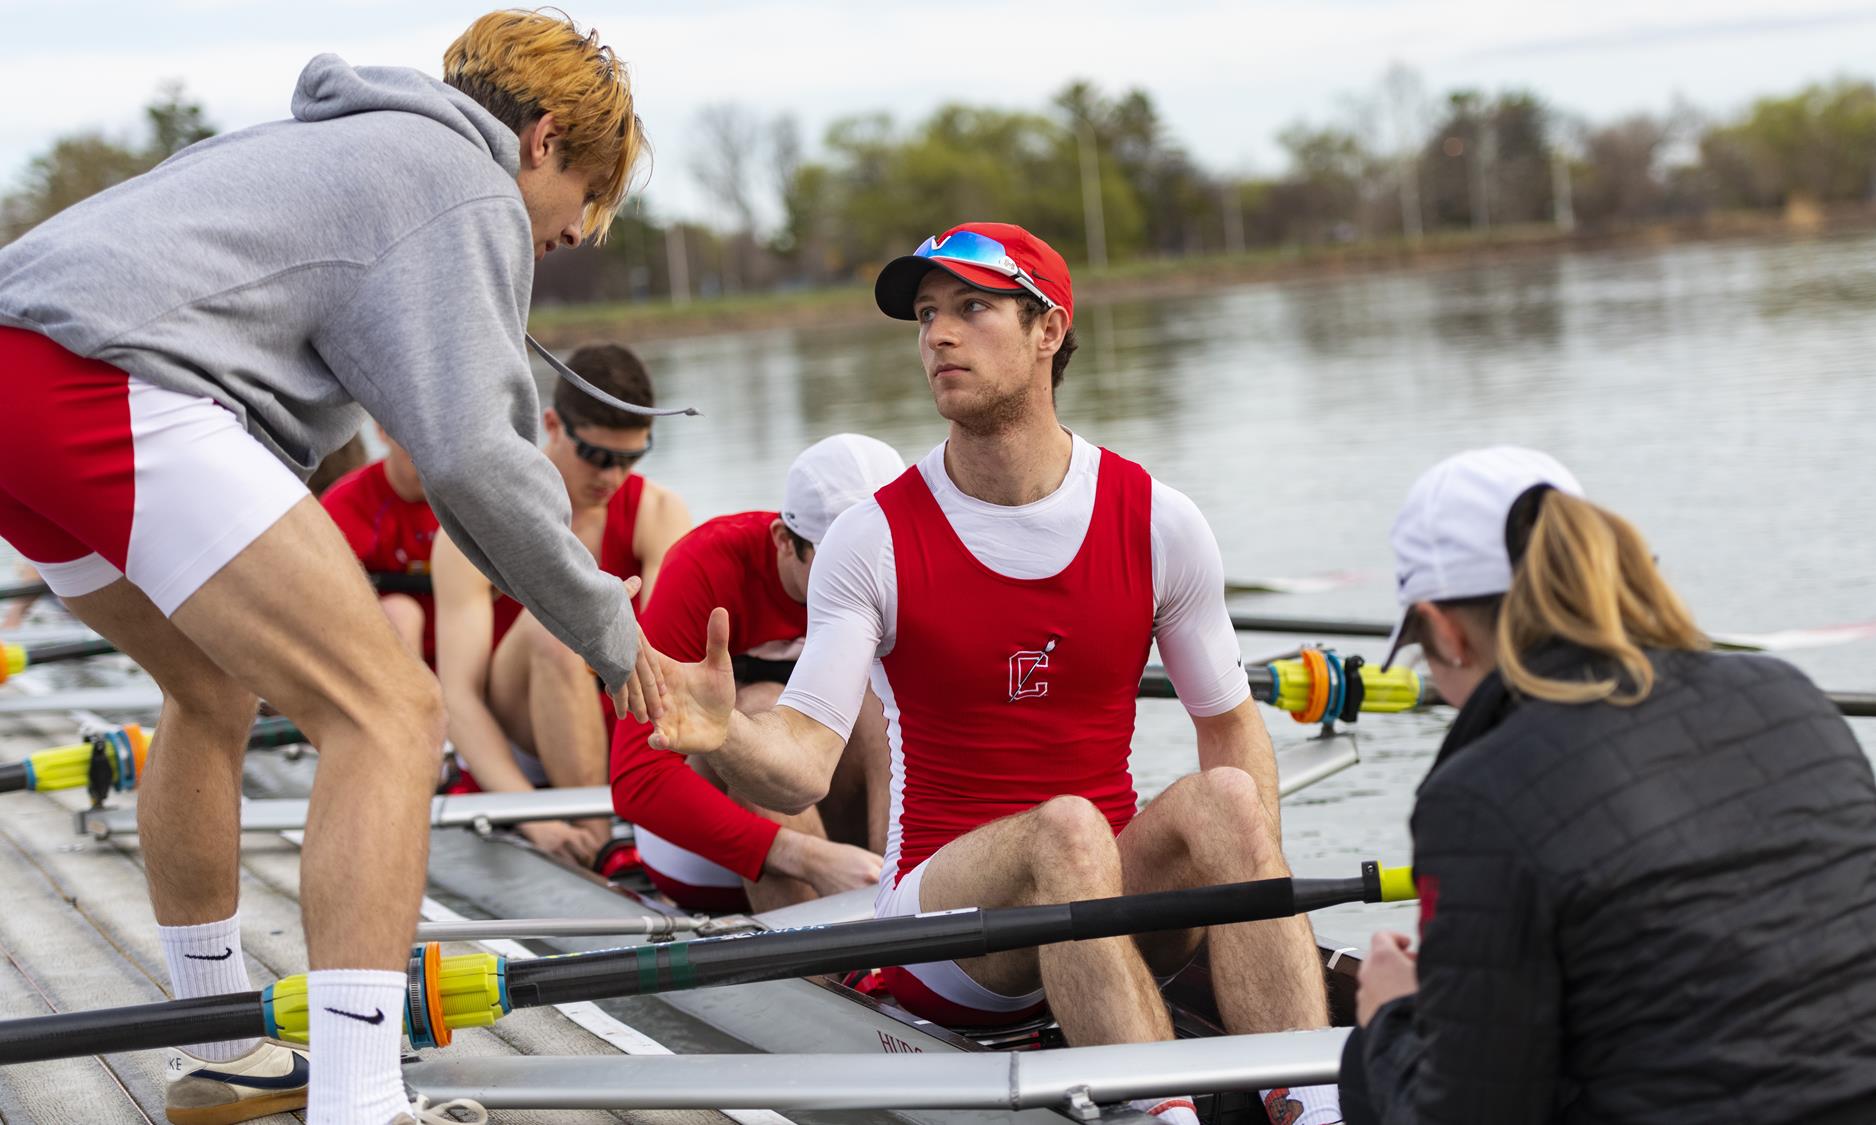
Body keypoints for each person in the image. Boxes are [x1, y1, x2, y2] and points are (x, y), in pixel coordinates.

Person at [0, 11, 667, 1124]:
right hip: (101, 384)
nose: (574, 232)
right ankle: (361, 1101)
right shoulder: (462, 182)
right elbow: (474, 458)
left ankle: (221, 1048)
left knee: (211, 687)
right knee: (392, 713)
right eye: (585, 197)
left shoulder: (335, 142)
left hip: (21, 382)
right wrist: (612, 632)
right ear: (544, 138)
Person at [646, 222, 1346, 1125]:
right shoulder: (873, 537)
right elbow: (805, 761)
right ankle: (1162, 1111)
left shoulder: (1159, 519)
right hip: (945, 933)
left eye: (972, 307)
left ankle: (1314, 1100)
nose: (938, 334)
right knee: (1068, 831)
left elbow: (1230, 723)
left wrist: (1253, 898)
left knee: (1229, 799)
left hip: (1108, 892)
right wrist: (727, 734)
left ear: (1049, 329)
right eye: (927, 314)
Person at [1340, 447, 1876, 1125]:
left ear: (1445, 631)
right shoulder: (1791, 694)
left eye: (1422, 648)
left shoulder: (1476, 794)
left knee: (1367, 1065)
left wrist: (1393, 1014)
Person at [611, 433, 900, 912]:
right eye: (839, 558)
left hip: (844, 834)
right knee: (761, 706)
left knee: (887, 696)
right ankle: (824, 941)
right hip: (708, 856)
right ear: (785, 541)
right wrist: (806, 857)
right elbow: (636, 781)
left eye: (879, 556)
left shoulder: (914, 568)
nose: (864, 578)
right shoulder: (705, 567)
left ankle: (899, 899)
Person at [432, 343, 690, 867]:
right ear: (551, 424)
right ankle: (600, 842)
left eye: (631, 459)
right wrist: (533, 818)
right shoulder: (482, 520)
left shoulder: (659, 512)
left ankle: (627, 820)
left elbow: (670, 662)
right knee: (557, 630)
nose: (612, 478)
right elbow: (458, 696)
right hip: (522, 732)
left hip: (623, 731)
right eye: (597, 457)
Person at [321, 428, 440, 662]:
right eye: (419, 437)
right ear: (382, 429)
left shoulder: (487, 498)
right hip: (387, 663)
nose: (432, 454)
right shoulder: (344, 506)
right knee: (401, 614)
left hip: (486, 662)